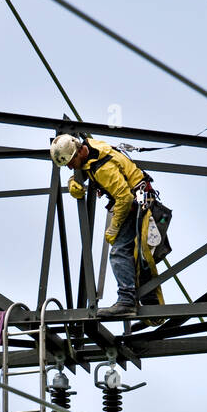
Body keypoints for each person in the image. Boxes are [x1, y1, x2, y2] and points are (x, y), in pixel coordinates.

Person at [50, 133, 164, 318]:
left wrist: (114, 227)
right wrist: (74, 181)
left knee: (119, 252)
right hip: (136, 199)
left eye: (71, 162)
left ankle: (126, 302)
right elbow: (86, 166)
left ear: (78, 152)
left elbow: (125, 198)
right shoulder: (89, 148)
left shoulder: (103, 167)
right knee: (134, 256)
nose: (70, 167)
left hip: (135, 203)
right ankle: (141, 302)